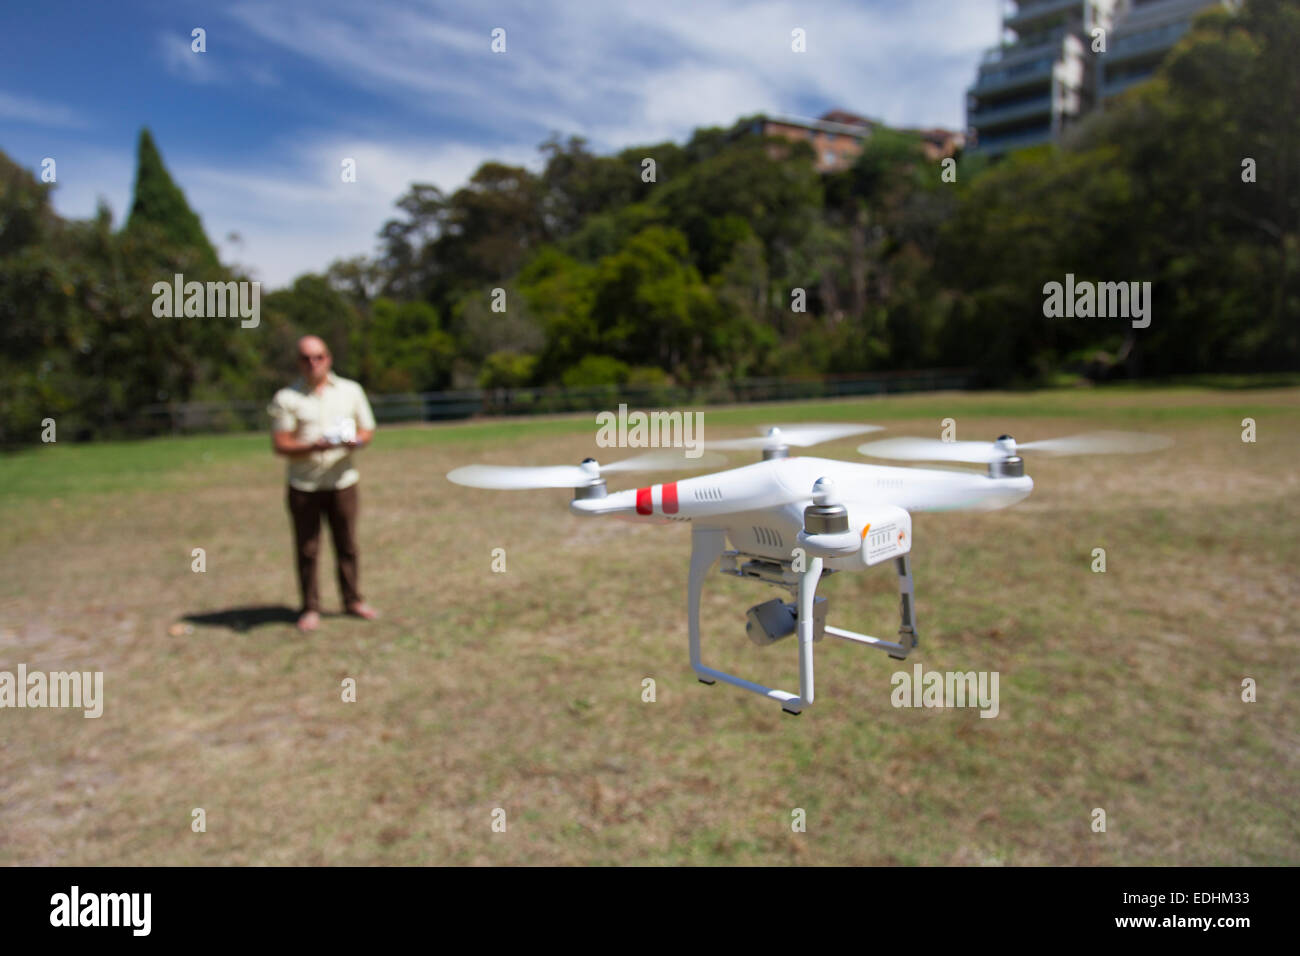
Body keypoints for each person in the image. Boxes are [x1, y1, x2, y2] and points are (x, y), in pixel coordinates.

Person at [268, 335, 379, 632]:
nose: (313, 363)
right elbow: (280, 444)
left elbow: (367, 429)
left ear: (328, 359)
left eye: (318, 357)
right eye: (306, 358)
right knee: (307, 548)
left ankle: (353, 600)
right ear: (298, 362)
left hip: (342, 481)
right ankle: (310, 607)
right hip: (304, 485)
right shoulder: (286, 398)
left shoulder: (350, 391)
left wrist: (357, 441)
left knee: (348, 545)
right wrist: (312, 448)